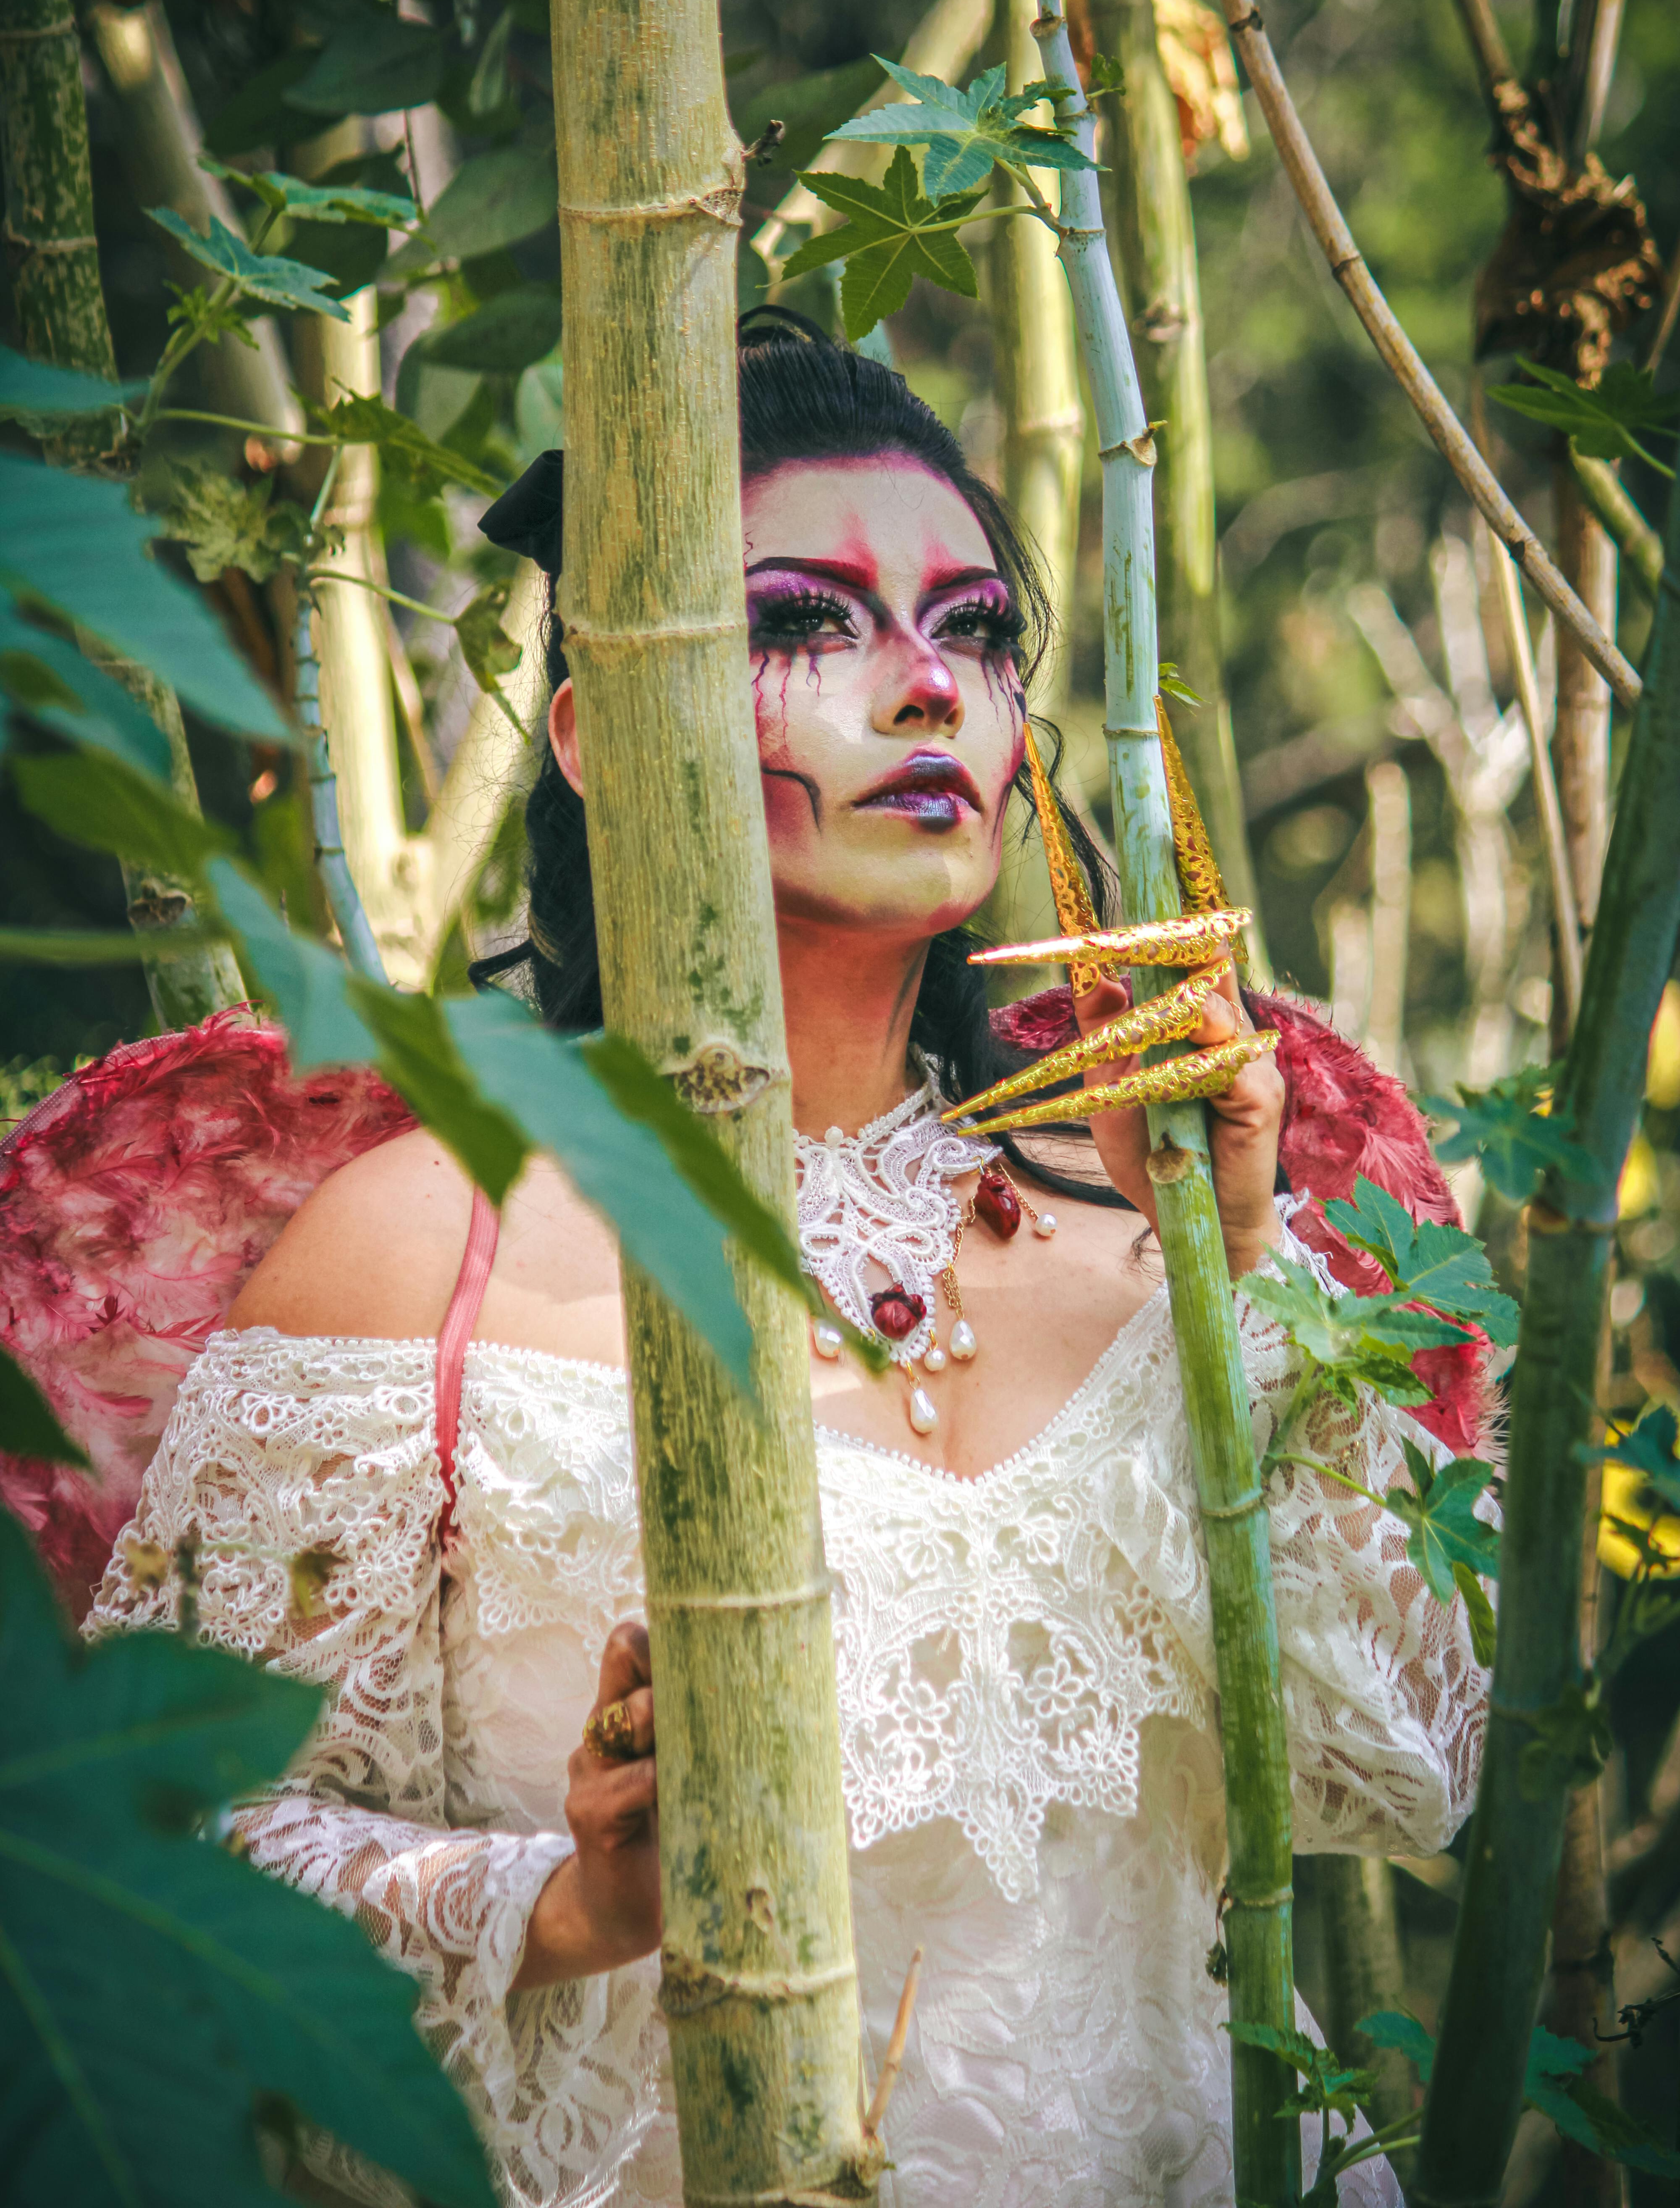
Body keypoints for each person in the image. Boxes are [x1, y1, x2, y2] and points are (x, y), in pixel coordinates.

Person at [88, 316, 1487, 2208]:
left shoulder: (1164, 1229)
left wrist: (1235, 1277)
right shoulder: (423, 1255)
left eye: (976, 631)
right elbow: (154, 1860)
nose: (926, 689)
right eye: (807, 622)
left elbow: (1406, 1774)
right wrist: (566, 1904)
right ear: (594, 729)